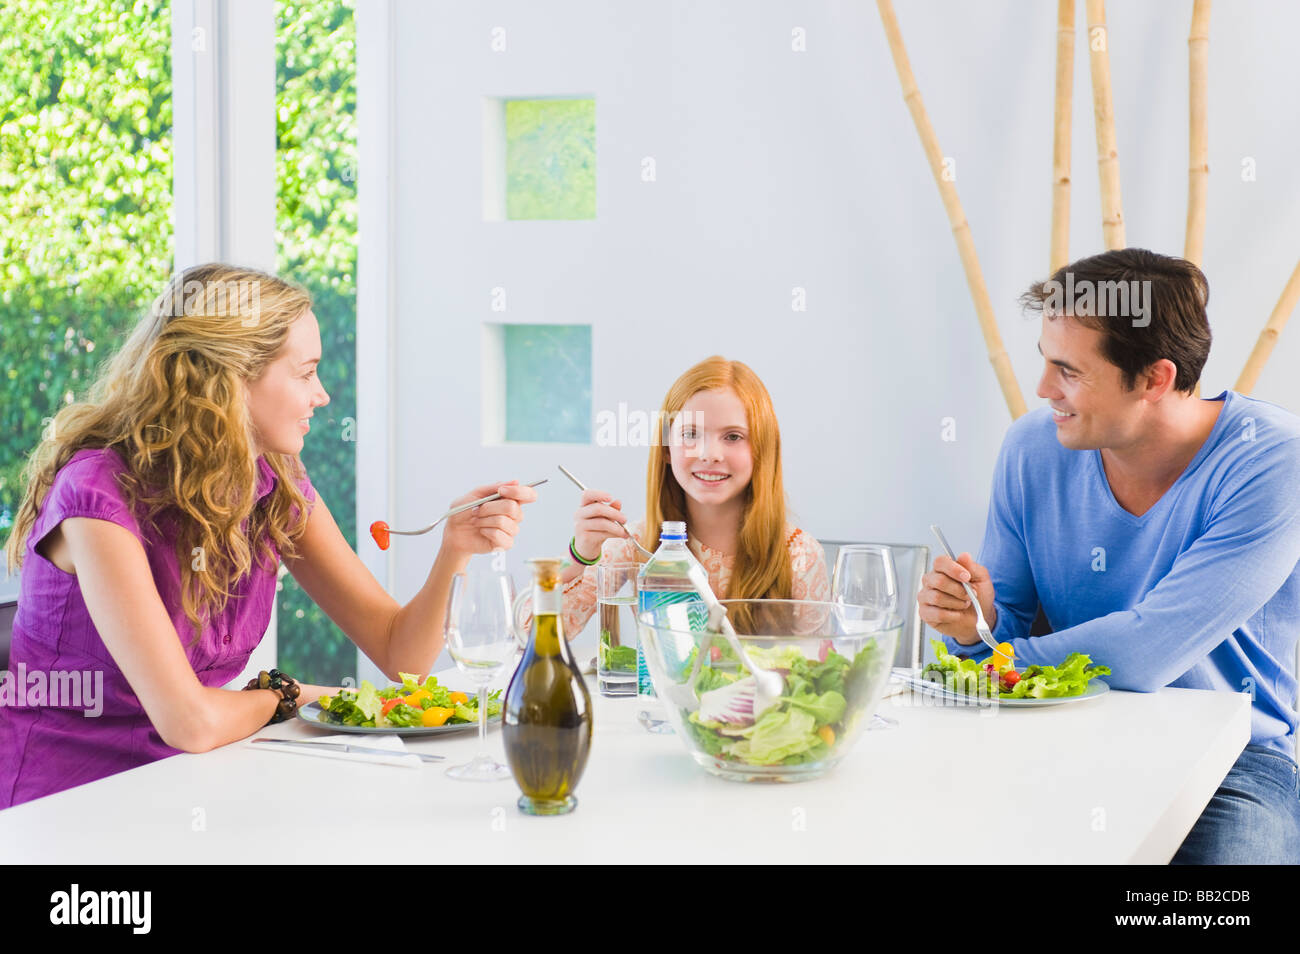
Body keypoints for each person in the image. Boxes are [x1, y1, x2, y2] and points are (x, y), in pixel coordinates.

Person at [0, 264, 537, 808]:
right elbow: (189, 721)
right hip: (65, 807)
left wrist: (455, 549)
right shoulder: (97, 495)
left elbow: (402, 654)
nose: (322, 395)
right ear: (230, 379)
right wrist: (283, 695)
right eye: (305, 373)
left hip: (189, 784)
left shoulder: (274, 481)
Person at [917, 248, 1300, 864]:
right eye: (1045, 362)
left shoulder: (1270, 462)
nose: (1043, 390)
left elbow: (1150, 648)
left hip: (1233, 768)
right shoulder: (1032, 449)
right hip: (1057, 737)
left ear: (1155, 378)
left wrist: (991, 669)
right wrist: (973, 628)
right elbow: (999, 635)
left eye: (1068, 371)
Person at [558, 356, 829, 638]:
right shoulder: (631, 545)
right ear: (666, 449)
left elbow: (815, 669)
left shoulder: (800, 557)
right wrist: (581, 555)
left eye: (733, 437)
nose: (709, 454)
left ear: (762, 450)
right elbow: (530, 633)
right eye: (690, 434)